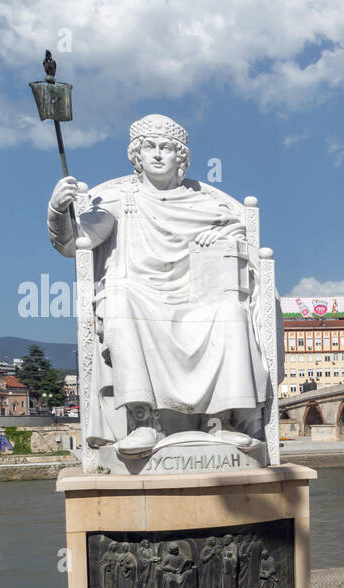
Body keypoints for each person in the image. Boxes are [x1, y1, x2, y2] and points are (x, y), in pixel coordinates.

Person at [47, 114, 270, 457]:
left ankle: (222, 420)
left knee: (231, 310)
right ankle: (143, 420)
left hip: (196, 300)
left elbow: (240, 235)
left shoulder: (204, 203)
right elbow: (73, 244)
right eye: (148, 147)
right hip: (139, 295)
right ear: (136, 155)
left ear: (180, 158)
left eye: (166, 148)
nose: (156, 154)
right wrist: (58, 210)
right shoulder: (118, 202)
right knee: (118, 303)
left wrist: (224, 233)